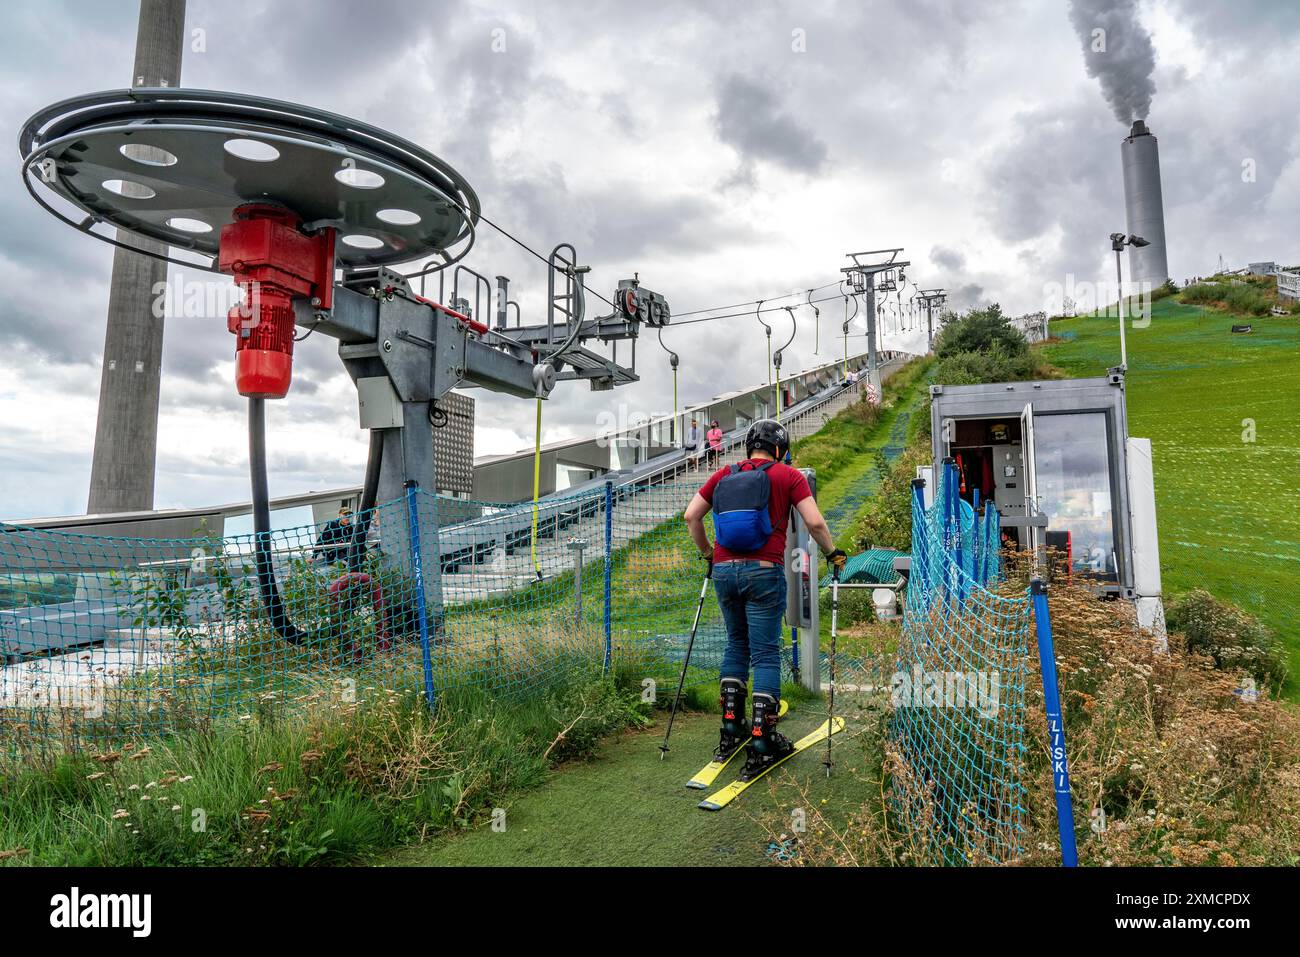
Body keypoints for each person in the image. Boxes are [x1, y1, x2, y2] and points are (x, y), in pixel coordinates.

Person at [684, 419, 846, 781]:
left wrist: (708, 554)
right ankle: (763, 740)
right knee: (766, 653)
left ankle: (731, 728)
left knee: (736, 645)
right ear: (780, 449)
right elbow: (816, 524)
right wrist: (834, 553)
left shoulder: (724, 474)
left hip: (724, 573)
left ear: (748, 448)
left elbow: (691, 515)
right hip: (763, 571)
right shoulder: (788, 476)